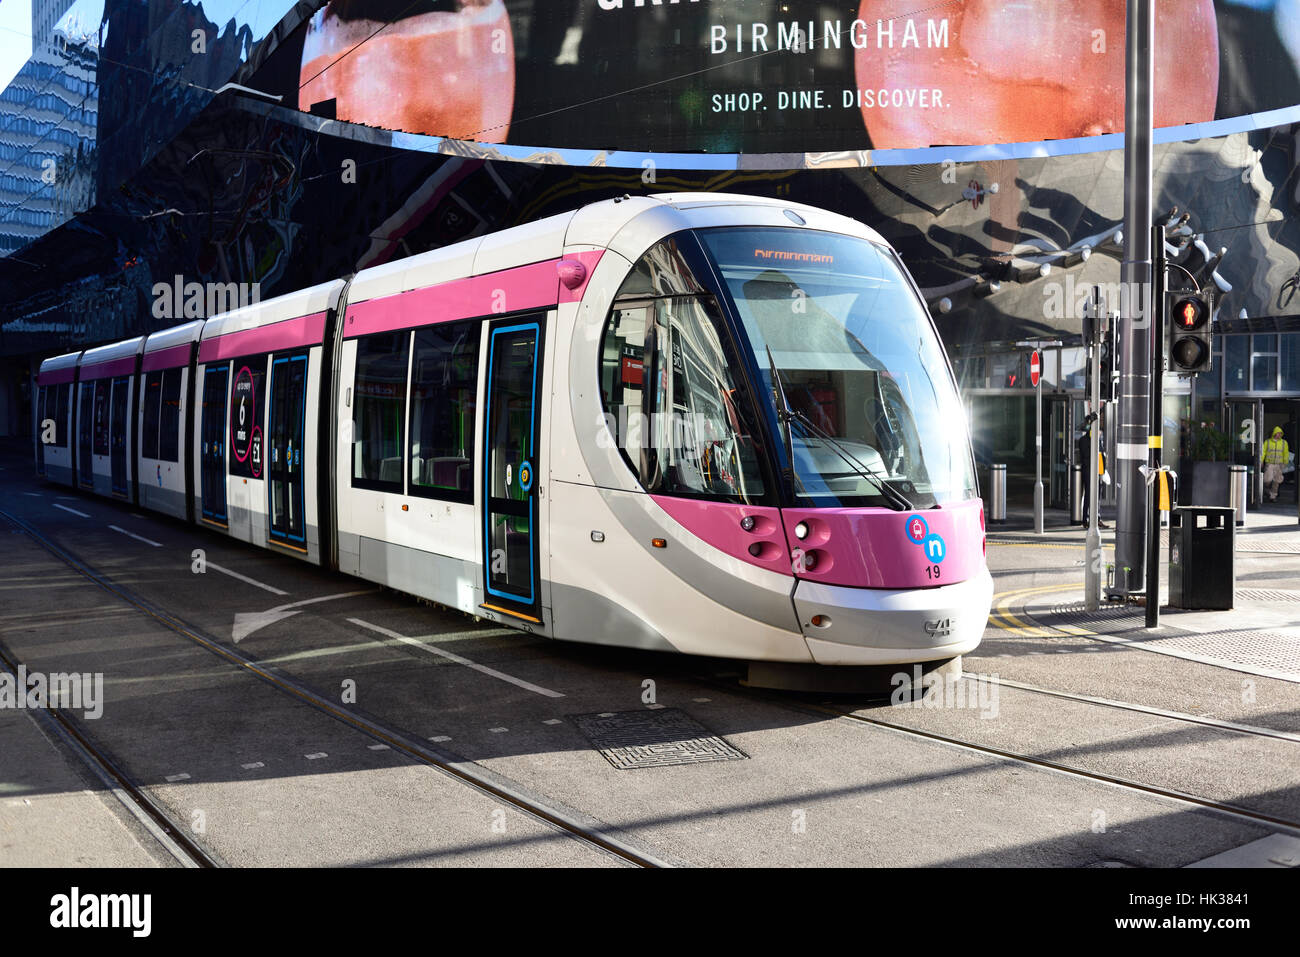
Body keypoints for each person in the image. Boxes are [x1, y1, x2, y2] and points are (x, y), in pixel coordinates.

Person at [1075, 417, 1107, 528]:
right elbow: (1086, 455)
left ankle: (1097, 518)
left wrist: (1104, 469)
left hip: (1099, 471)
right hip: (1089, 471)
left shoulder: (1098, 439)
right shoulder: (1084, 440)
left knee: (1097, 496)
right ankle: (1085, 519)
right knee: (1088, 495)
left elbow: (1102, 453)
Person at [1261, 426, 1291, 502]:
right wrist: (1261, 461)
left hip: (1279, 464)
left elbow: (1286, 453)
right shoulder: (1267, 442)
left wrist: (1285, 463)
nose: (1280, 435)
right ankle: (1266, 490)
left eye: (1281, 433)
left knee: (1276, 481)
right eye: (1278, 433)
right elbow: (1263, 452)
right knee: (1267, 480)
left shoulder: (1284, 443)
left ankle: (1273, 496)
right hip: (1269, 464)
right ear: (1274, 433)